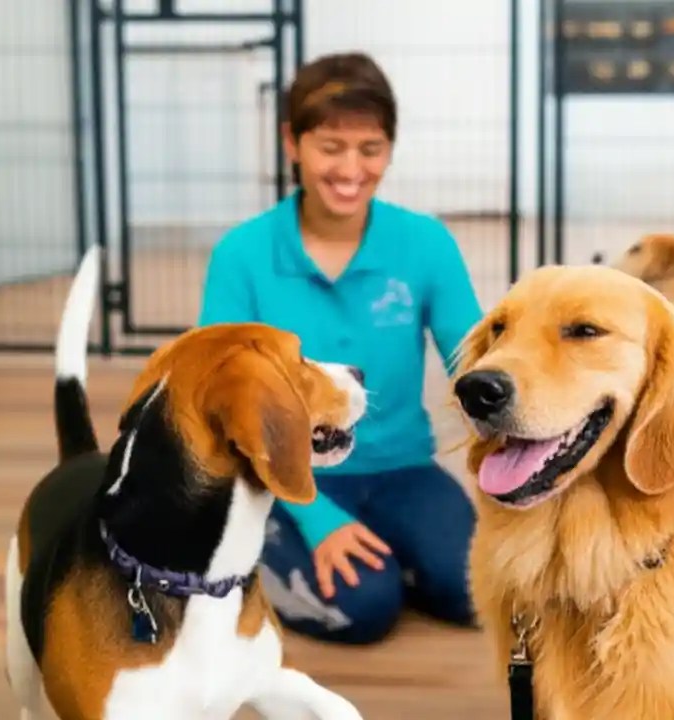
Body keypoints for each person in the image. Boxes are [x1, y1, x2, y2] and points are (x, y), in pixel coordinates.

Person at [197, 52, 483, 644]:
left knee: (472, 593)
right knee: (365, 611)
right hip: (284, 479)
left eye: (370, 148)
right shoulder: (241, 257)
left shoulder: (426, 244)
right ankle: (262, 562)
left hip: (404, 468)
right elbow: (221, 406)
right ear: (292, 143)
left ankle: (397, 557)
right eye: (331, 147)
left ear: (389, 149)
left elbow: (476, 366)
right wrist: (318, 518)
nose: (352, 168)